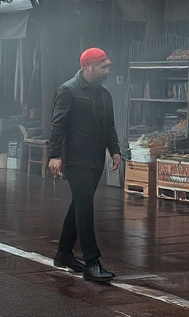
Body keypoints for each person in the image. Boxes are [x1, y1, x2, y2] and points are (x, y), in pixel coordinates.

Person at [46, 47, 124, 284]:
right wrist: (55, 155)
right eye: (103, 67)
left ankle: (63, 253)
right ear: (88, 67)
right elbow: (57, 125)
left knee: (79, 206)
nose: (107, 70)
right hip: (76, 160)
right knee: (85, 208)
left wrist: (115, 150)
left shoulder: (104, 94)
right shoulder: (68, 91)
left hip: (95, 159)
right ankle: (92, 262)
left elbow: (110, 125)